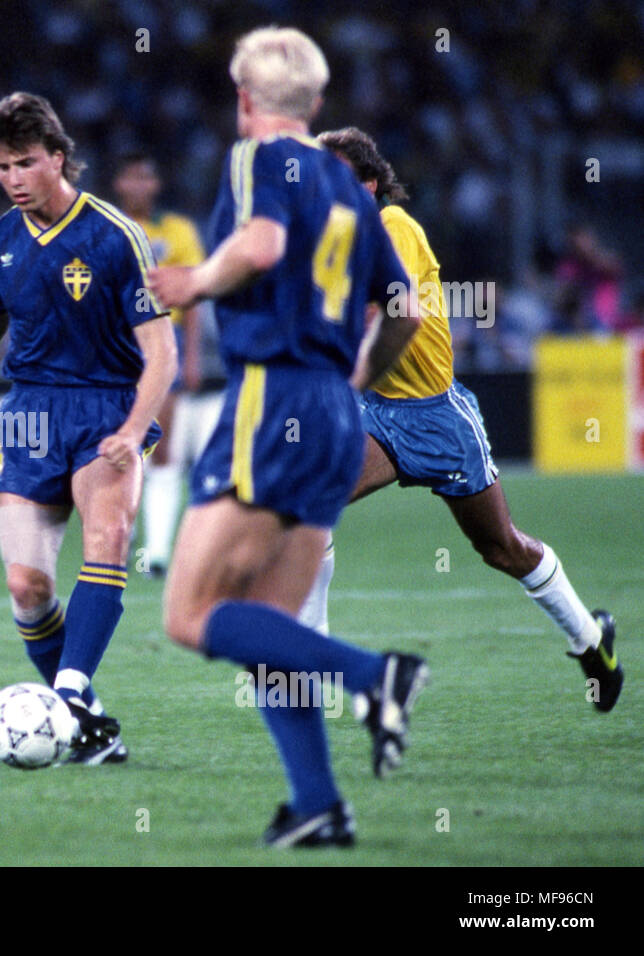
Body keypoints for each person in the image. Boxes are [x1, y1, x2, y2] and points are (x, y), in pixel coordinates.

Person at [150, 27, 427, 847]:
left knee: (191, 615)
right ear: (314, 102)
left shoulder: (259, 160)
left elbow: (262, 244)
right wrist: (357, 382)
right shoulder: (348, 187)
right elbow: (405, 308)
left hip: (271, 400)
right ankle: (318, 805)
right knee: (277, 629)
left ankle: (376, 676)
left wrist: (195, 281)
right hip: (337, 412)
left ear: (245, 100)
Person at [299, 126, 622, 711]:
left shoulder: (393, 226)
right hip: (378, 414)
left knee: (501, 548)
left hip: (437, 416)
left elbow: (394, 310)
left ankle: (589, 639)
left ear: (368, 185)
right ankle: (317, 674)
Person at [0, 92, 177, 764]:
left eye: (25, 163)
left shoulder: (115, 236)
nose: (12, 178)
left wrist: (136, 427)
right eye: (1, 166)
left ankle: (70, 691)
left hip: (106, 405)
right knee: (27, 588)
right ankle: (83, 723)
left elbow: (162, 350)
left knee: (109, 536)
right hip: (30, 412)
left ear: (58, 158)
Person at [111, 152, 207, 578]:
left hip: (164, 345)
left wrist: (192, 358)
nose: (138, 185)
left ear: (156, 184)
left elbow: (194, 295)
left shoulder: (178, 230)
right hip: (116, 347)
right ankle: (118, 532)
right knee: (116, 443)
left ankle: (158, 551)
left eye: (146, 176)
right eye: (131, 177)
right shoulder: (106, 227)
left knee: (162, 447)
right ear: (118, 184)